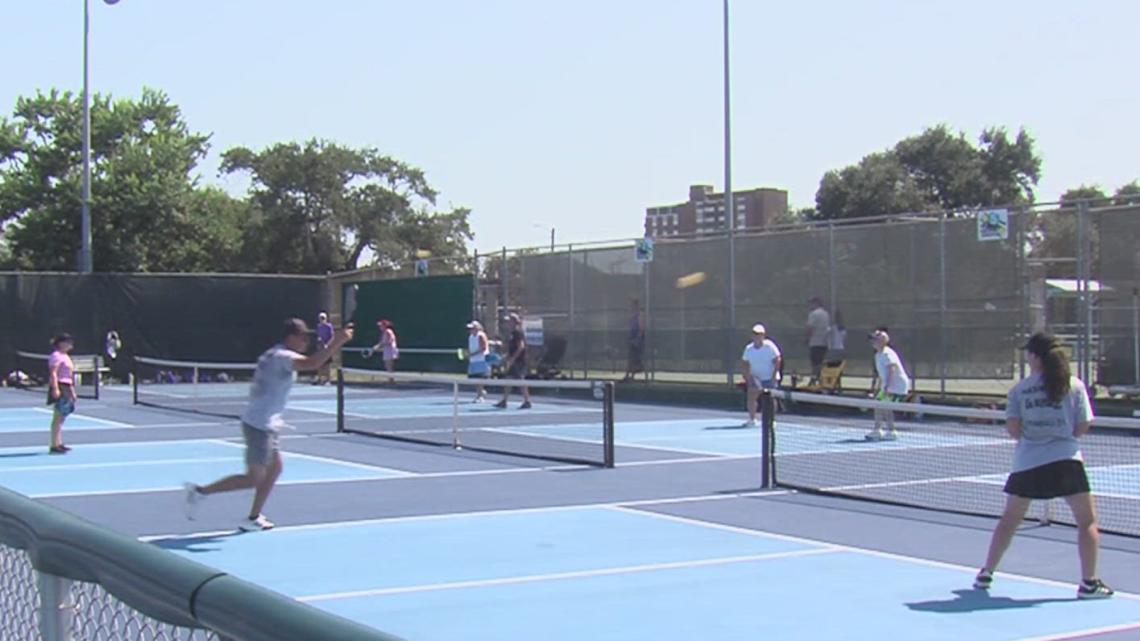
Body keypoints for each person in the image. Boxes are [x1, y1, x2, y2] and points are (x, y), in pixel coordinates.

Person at [973, 332, 1113, 599]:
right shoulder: (1075, 386)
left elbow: (1014, 430)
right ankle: (1089, 583)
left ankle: (986, 573)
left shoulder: (1019, 390)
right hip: (1066, 461)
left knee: (1009, 521)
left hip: (1028, 463)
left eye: (1029, 353)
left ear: (1035, 357)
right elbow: (1082, 425)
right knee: (1087, 523)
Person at [184, 318, 353, 531]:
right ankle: (200, 492)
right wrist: (337, 342)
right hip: (259, 425)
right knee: (254, 478)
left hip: (266, 423)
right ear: (290, 337)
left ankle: (253, 517)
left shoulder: (274, 353)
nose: (305, 342)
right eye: (302, 338)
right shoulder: (282, 357)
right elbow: (312, 364)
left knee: (275, 469)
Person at [866, 330, 910, 441]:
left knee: (886, 407)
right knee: (878, 404)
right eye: (872, 340)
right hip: (888, 385)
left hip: (897, 386)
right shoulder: (877, 355)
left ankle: (892, 431)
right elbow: (882, 375)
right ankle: (877, 430)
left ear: (882, 341)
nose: (872, 342)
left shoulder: (887, 353)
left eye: (875, 340)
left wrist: (887, 387)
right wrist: (878, 389)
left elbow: (892, 368)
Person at [740, 323, 782, 428]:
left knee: (771, 400)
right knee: (751, 397)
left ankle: (772, 420)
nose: (757, 336)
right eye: (755, 334)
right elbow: (744, 364)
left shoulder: (770, 346)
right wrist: (749, 378)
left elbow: (777, 360)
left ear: (763, 335)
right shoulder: (748, 349)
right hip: (756, 379)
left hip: (769, 378)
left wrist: (773, 376)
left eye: (759, 334)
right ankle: (752, 419)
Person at [46, 333, 77, 454]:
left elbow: (69, 376)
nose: (70, 345)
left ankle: (58, 443)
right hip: (60, 385)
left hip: (66, 386)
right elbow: (53, 373)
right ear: (61, 343)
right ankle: (54, 445)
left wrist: (72, 391)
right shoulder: (56, 356)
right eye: (68, 342)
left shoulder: (65, 356)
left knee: (62, 417)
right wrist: (55, 389)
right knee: (58, 417)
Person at [495, 313, 532, 410]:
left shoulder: (518, 332)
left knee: (520, 380)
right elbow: (511, 348)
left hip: (519, 361)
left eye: (509, 321)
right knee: (509, 379)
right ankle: (504, 401)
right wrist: (506, 357)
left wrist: (513, 359)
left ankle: (527, 401)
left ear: (514, 322)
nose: (507, 323)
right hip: (514, 360)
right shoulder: (511, 333)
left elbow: (521, 346)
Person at [805, 298, 831, 385]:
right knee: (820, 362)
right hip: (824, 343)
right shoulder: (826, 314)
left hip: (815, 342)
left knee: (815, 363)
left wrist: (807, 338)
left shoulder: (813, 314)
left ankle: (814, 379)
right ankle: (819, 379)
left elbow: (810, 328)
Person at [623, 298, 646, 382]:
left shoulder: (640, 315)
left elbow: (641, 328)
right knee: (631, 358)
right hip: (632, 338)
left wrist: (637, 339)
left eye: (632, 305)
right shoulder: (632, 315)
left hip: (637, 339)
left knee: (633, 358)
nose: (631, 307)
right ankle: (628, 376)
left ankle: (630, 376)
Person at [466, 320, 490, 402]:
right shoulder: (470, 337)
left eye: (472, 328)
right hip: (473, 361)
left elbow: (483, 348)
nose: (470, 330)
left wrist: (473, 354)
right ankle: (481, 392)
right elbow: (470, 347)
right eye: (469, 328)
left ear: (476, 328)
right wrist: (469, 354)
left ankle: (480, 396)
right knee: (474, 378)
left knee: (480, 378)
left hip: (481, 360)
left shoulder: (481, 335)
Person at [313, 312, 334, 385]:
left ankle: (328, 380)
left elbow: (332, 337)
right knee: (319, 363)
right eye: (320, 318)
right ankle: (320, 379)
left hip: (327, 348)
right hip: (320, 348)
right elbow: (318, 336)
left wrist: (327, 345)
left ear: (326, 318)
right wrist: (319, 342)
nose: (322, 319)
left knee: (327, 364)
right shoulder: (318, 326)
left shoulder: (329, 326)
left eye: (323, 318)